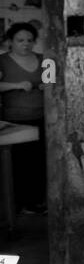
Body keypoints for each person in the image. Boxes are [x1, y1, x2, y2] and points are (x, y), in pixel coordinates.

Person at [0, 22, 47, 214]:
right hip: (15, 121)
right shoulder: (2, 61)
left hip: (43, 117)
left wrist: (47, 86)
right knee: (20, 165)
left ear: (35, 42)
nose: (25, 44)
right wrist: (16, 85)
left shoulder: (46, 59)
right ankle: (21, 204)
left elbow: (52, 82)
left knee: (40, 163)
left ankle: (37, 203)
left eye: (30, 40)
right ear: (11, 42)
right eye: (20, 40)